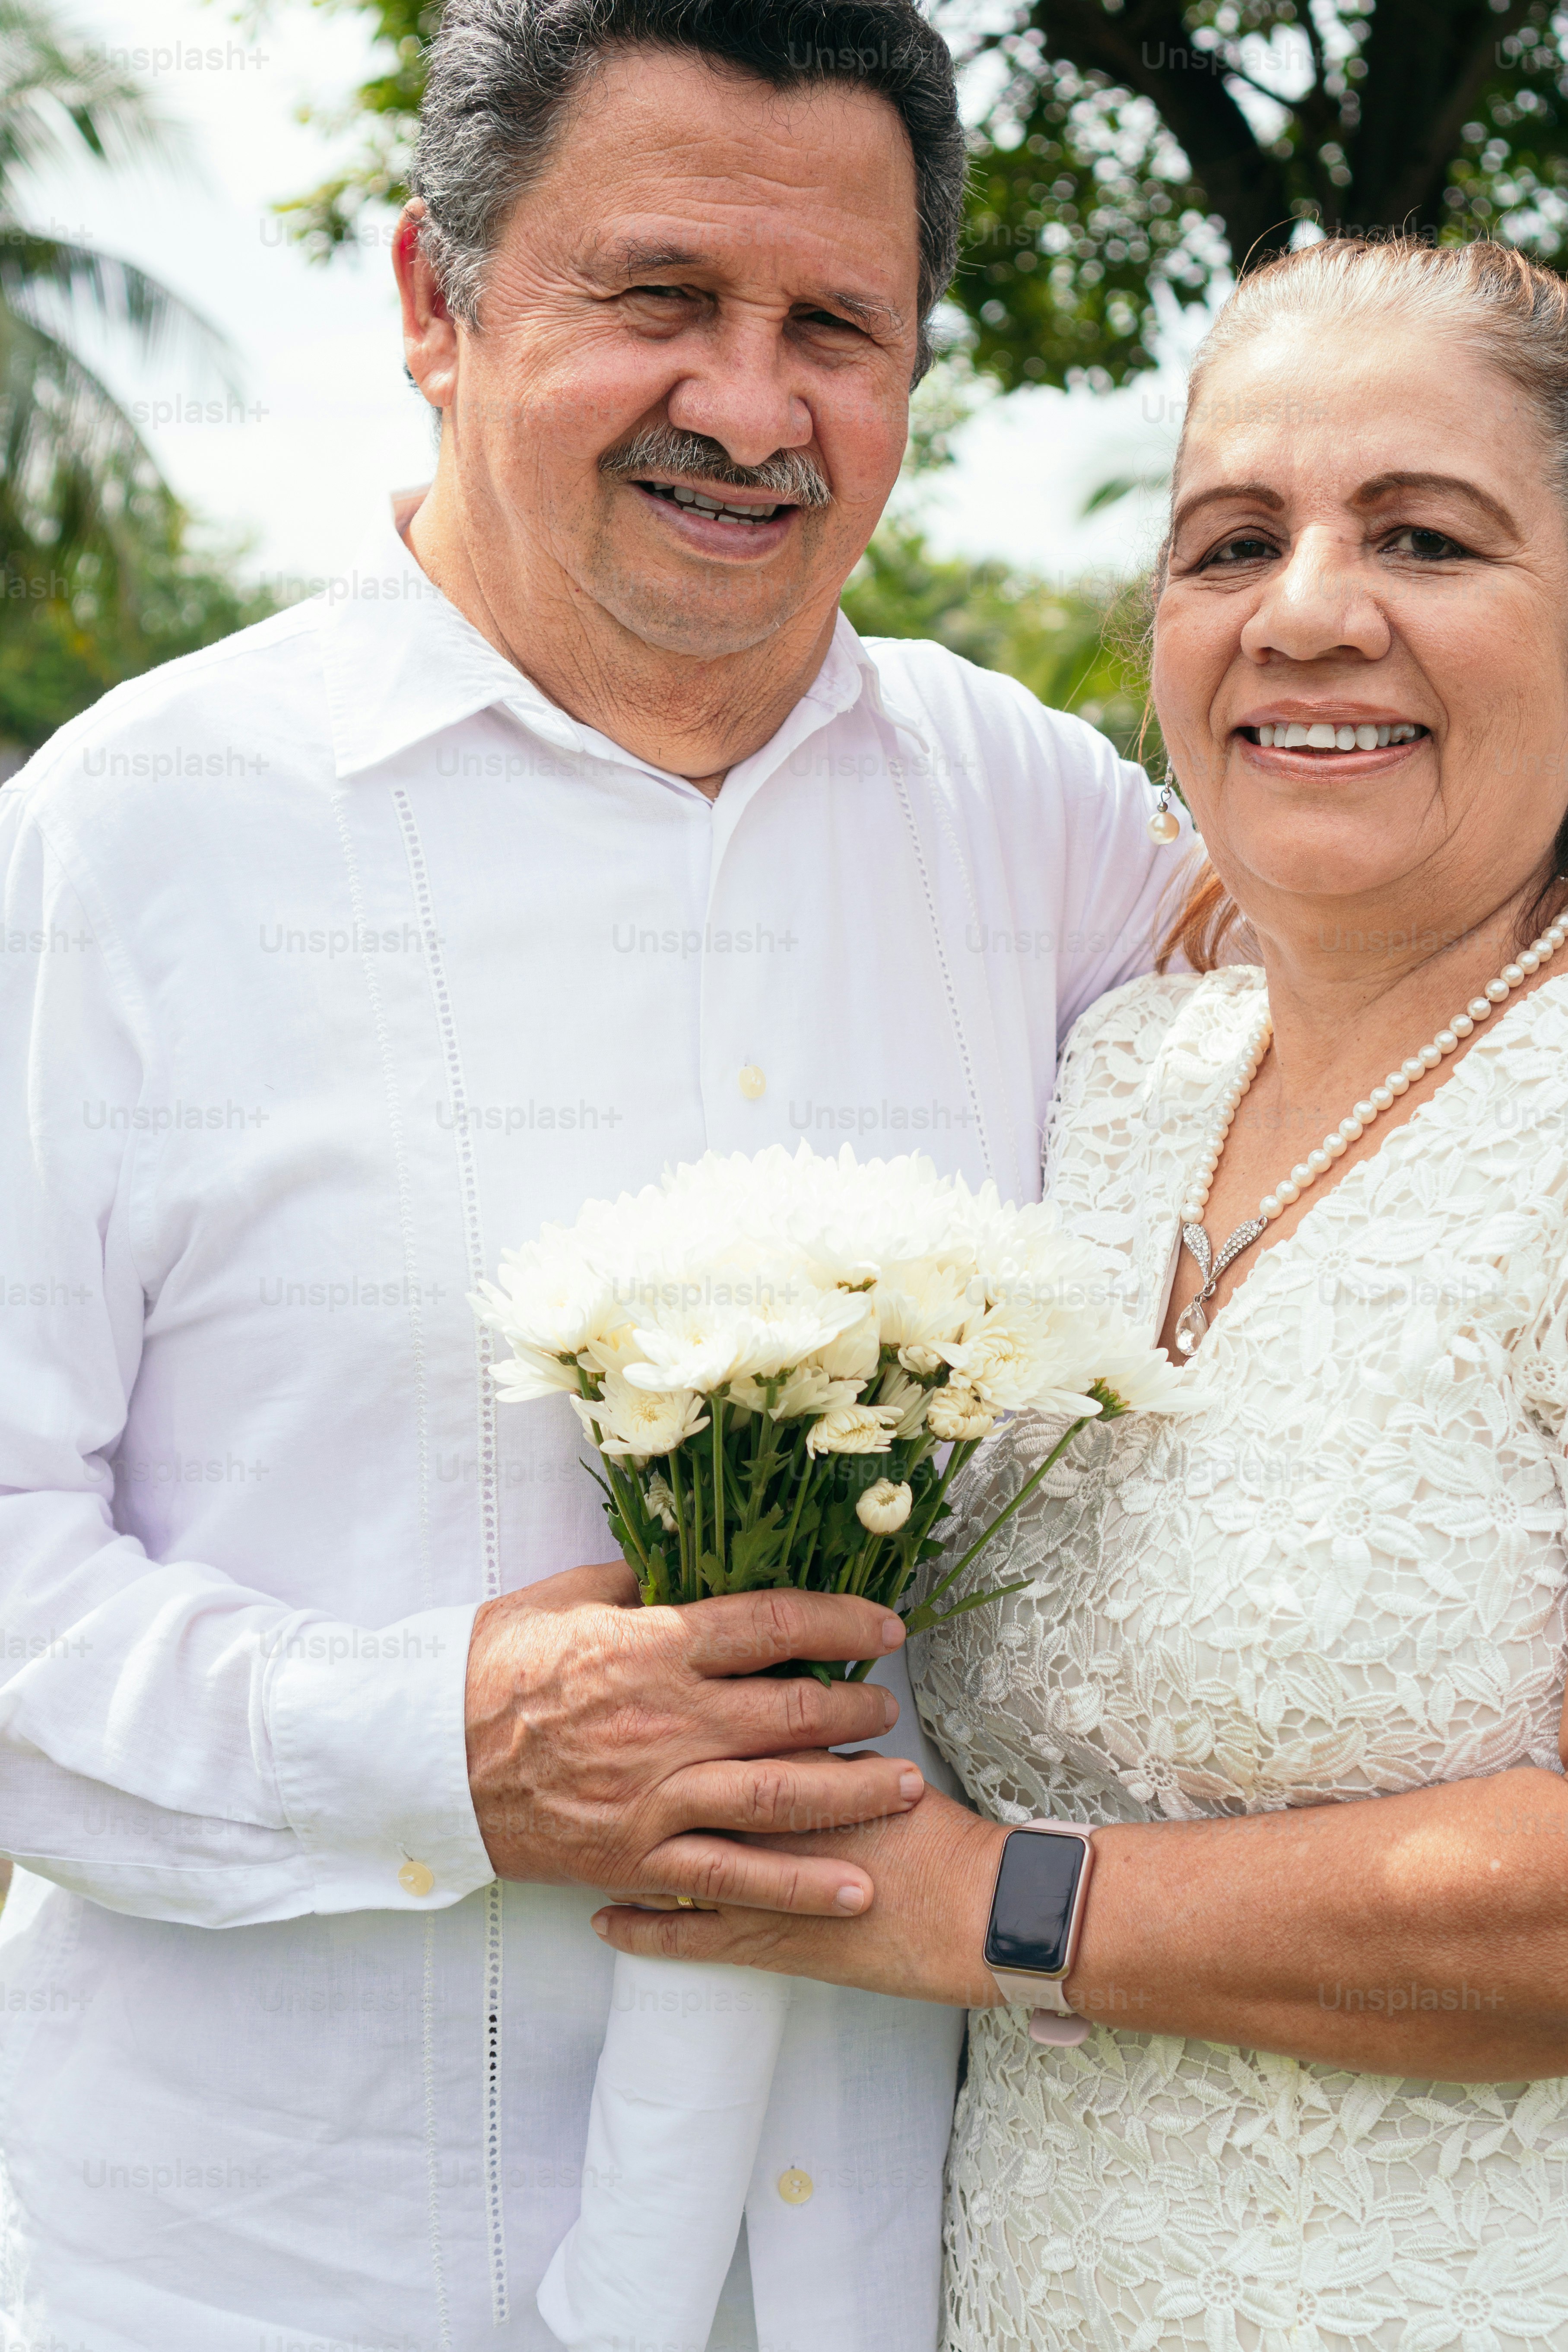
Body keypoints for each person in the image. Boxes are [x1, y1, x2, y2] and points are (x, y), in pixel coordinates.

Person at [0, 5, 1187, 2348]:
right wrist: (434, 1737)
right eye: (656, 299)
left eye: (833, 325)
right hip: (269, 2281)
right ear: (436, 306)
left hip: (891, 2281)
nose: (751, 406)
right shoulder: (125, 845)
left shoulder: (1051, 826)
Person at [597, 237, 1568, 2348]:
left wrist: (992, 1906)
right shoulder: (1116, 1068)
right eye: (1230, 541)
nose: (1304, 611)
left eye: (1422, 534)